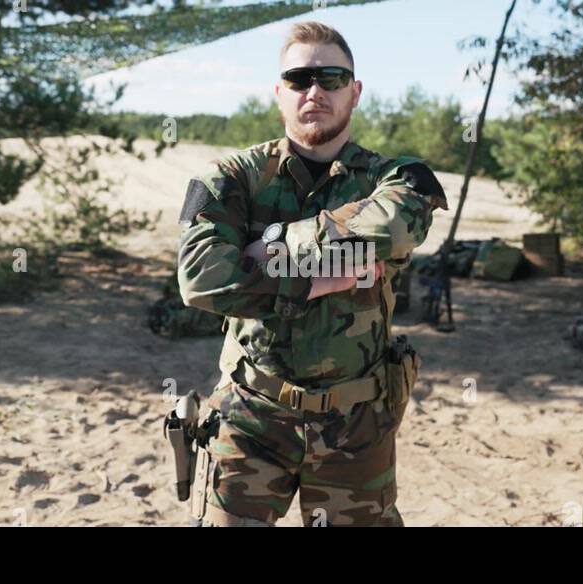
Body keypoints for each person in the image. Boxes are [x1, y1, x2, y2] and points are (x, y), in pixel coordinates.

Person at [176, 21, 448, 526]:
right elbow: (202, 278)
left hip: (356, 422)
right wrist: (321, 276)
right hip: (252, 416)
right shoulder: (230, 178)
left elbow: (390, 229)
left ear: (355, 91)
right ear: (280, 93)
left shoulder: (397, 177)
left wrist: (268, 247)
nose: (315, 92)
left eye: (332, 78)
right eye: (300, 80)